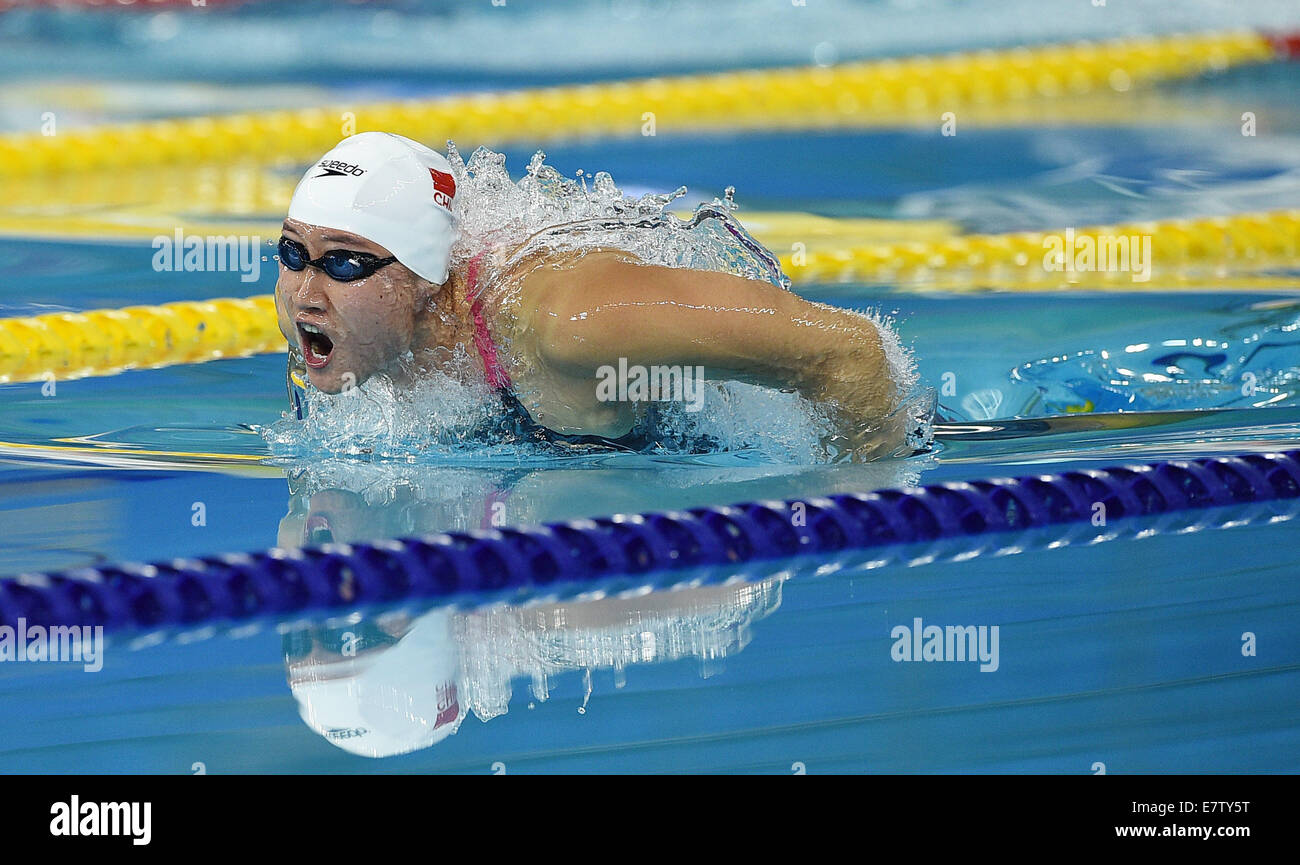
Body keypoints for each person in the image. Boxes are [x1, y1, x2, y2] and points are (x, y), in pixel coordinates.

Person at [276, 132, 909, 459]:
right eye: (292, 255)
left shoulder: (568, 323)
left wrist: (859, 524)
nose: (306, 293)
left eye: (345, 264)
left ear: (425, 285)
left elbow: (851, 355)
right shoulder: (340, 339)